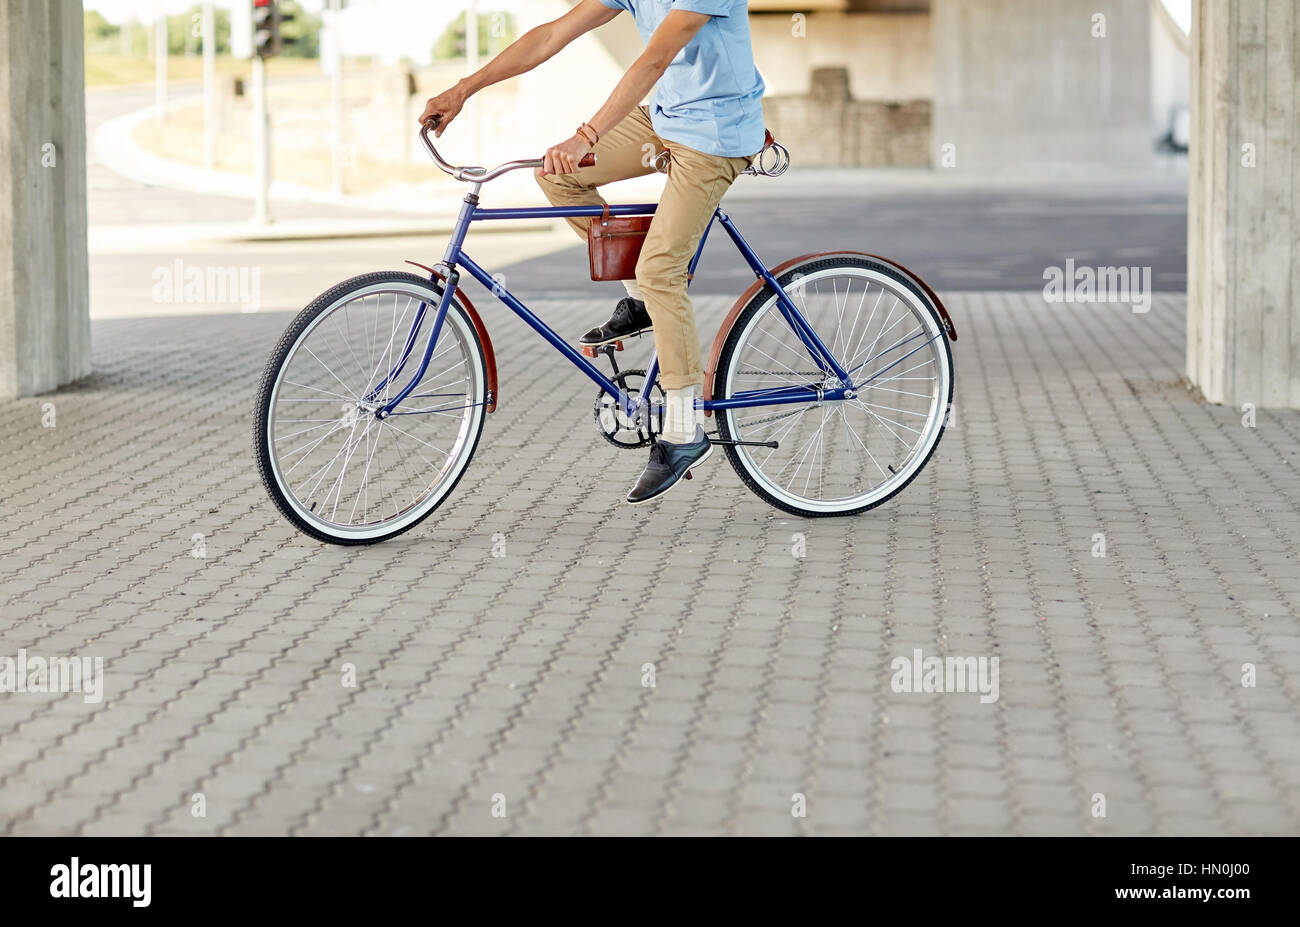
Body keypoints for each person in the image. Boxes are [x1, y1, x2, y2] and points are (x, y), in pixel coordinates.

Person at [419, 0, 766, 504]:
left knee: (661, 268)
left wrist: (587, 135)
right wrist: (463, 89)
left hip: (716, 135)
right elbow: (551, 35)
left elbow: (653, 60)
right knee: (556, 174)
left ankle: (687, 427)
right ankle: (643, 302)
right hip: (665, 122)